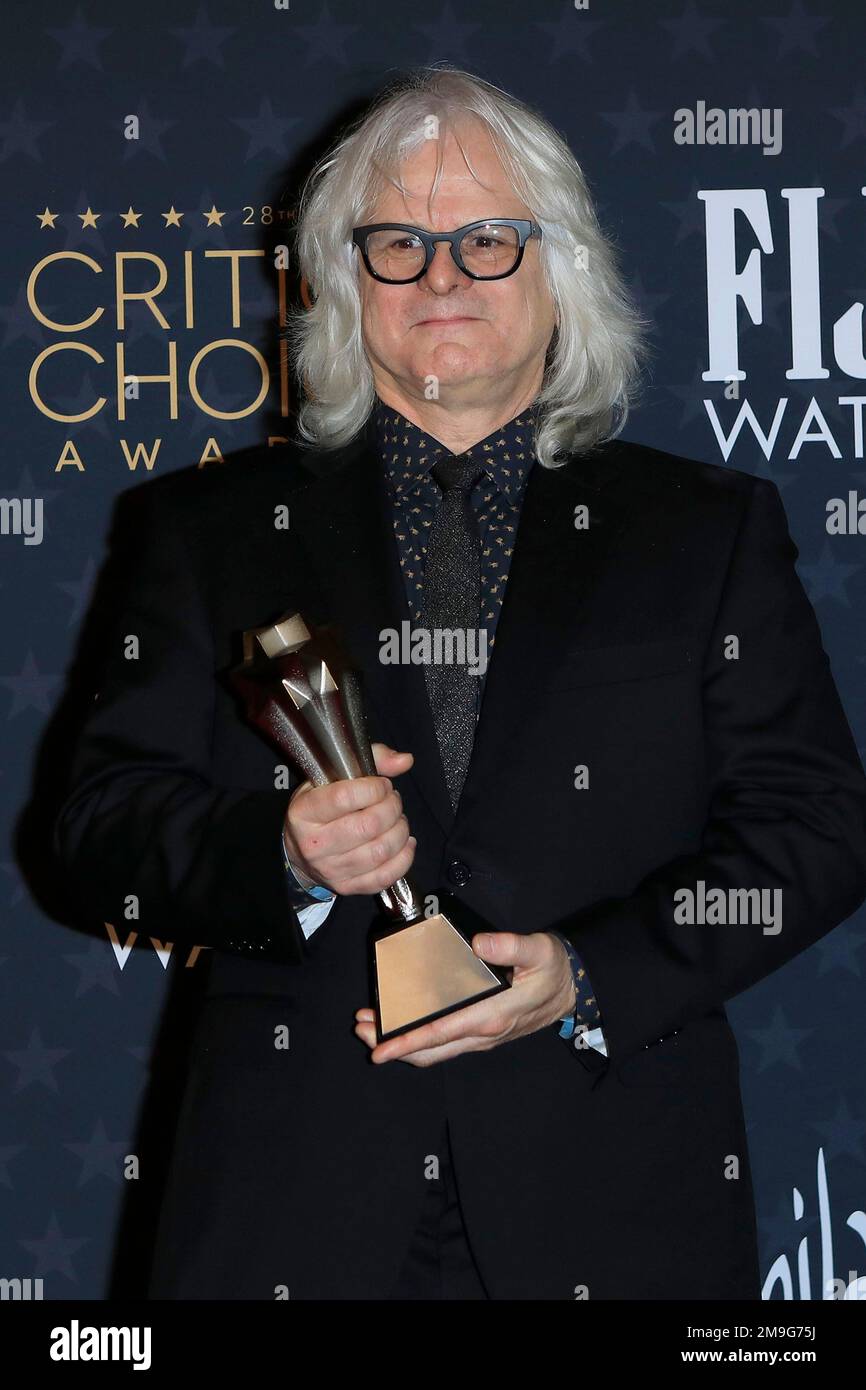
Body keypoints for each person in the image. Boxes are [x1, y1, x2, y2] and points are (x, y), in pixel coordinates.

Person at [54, 66, 866, 1300]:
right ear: (339, 277)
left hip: (612, 1198)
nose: (441, 277)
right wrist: (279, 851)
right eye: (398, 242)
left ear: (561, 270)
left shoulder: (703, 531)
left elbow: (815, 827)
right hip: (286, 1209)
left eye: (487, 240)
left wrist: (591, 973)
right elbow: (93, 832)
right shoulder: (205, 531)